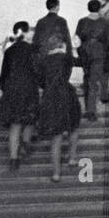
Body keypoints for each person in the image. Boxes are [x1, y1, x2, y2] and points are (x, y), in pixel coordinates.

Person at [37, 36, 81, 183]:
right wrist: (77, 48)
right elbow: (83, 62)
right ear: (62, 45)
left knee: (56, 137)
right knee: (73, 127)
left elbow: (41, 81)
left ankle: (56, 173)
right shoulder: (66, 57)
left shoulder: (42, 60)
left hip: (50, 97)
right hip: (67, 94)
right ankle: (72, 158)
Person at [0, 21, 40, 171]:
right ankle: (25, 144)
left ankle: (13, 159)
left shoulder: (10, 51)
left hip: (12, 90)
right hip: (29, 89)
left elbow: (3, 76)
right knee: (30, 120)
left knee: (15, 125)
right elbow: (38, 71)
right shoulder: (34, 50)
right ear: (25, 32)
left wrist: (7, 91)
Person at [75, 0, 109, 120]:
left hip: (85, 53)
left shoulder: (82, 22)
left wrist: (80, 51)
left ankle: (88, 107)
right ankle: (91, 110)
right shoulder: (104, 23)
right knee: (93, 82)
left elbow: (77, 39)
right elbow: (108, 40)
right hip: (98, 53)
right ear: (99, 9)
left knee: (87, 80)